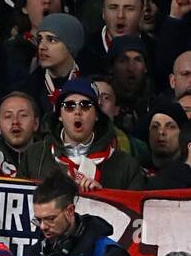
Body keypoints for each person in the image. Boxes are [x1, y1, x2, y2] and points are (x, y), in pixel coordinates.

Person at [17, 78, 146, 189]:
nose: (77, 111)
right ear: (60, 116)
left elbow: (135, 215)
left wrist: (102, 200)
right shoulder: (34, 156)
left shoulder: (126, 165)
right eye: (69, 106)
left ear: (96, 115)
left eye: (85, 105)